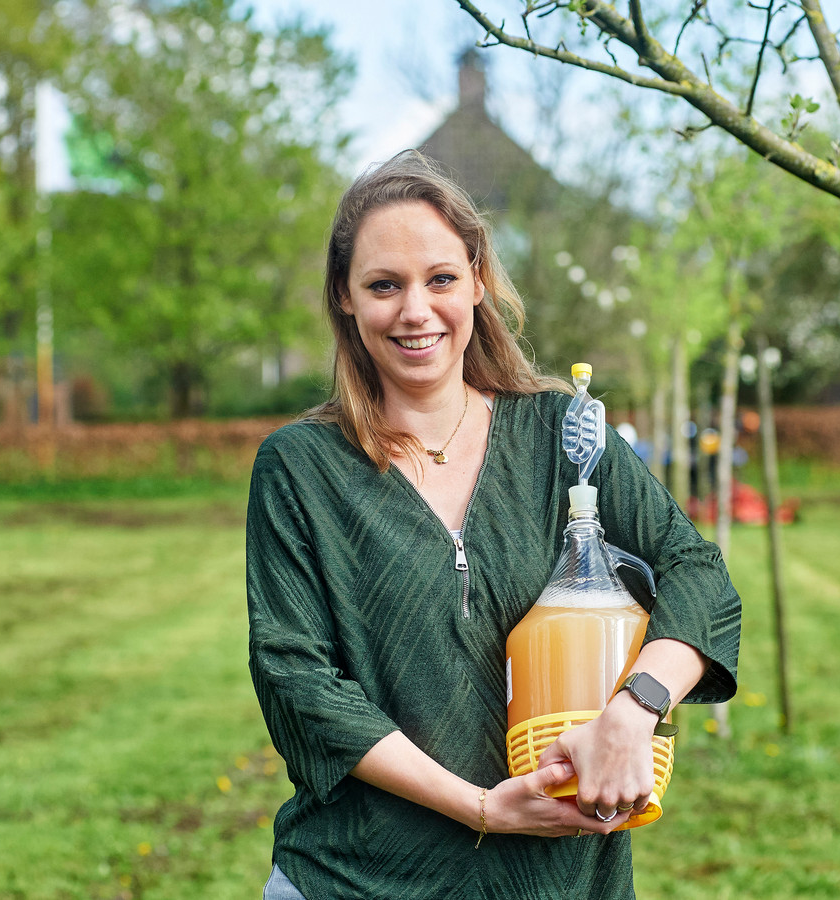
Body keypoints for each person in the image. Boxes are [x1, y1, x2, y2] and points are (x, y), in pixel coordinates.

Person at [246, 150, 740, 899]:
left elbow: (696, 573)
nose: (416, 310)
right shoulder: (300, 467)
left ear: (477, 281)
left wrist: (635, 709)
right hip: (357, 877)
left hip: (555, 880)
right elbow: (296, 678)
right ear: (346, 299)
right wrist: (478, 807)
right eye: (384, 285)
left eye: (440, 278)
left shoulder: (563, 436)